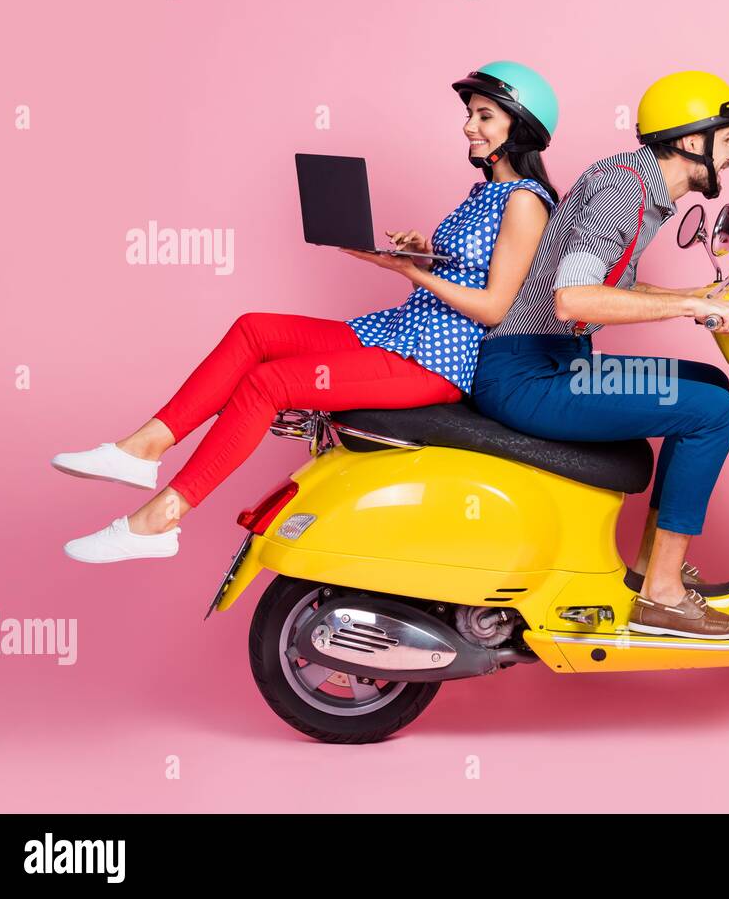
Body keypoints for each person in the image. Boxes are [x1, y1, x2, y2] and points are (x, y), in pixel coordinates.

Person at [54, 61, 559, 563]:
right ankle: (143, 448)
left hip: (436, 361)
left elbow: (495, 306)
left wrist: (409, 272)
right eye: (471, 113)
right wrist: (422, 251)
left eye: (485, 116)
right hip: (402, 331)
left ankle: (160, 519)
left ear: (520, 127)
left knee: (267, 384)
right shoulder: (486, 192)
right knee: (254, 330)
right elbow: (471, 266)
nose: (469, 126)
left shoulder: (525, 202)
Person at [469, 70, 729, 639]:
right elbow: (574, 299)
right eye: (727, 140)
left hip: (554, 361)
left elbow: (606, 281)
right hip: (530, 375)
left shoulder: (633, 184)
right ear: (691, 139)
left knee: (709, 383)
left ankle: (654, 564)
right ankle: (664, 594)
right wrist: (683, 309)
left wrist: (695, 297)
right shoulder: (624, 190)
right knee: (713, 413)